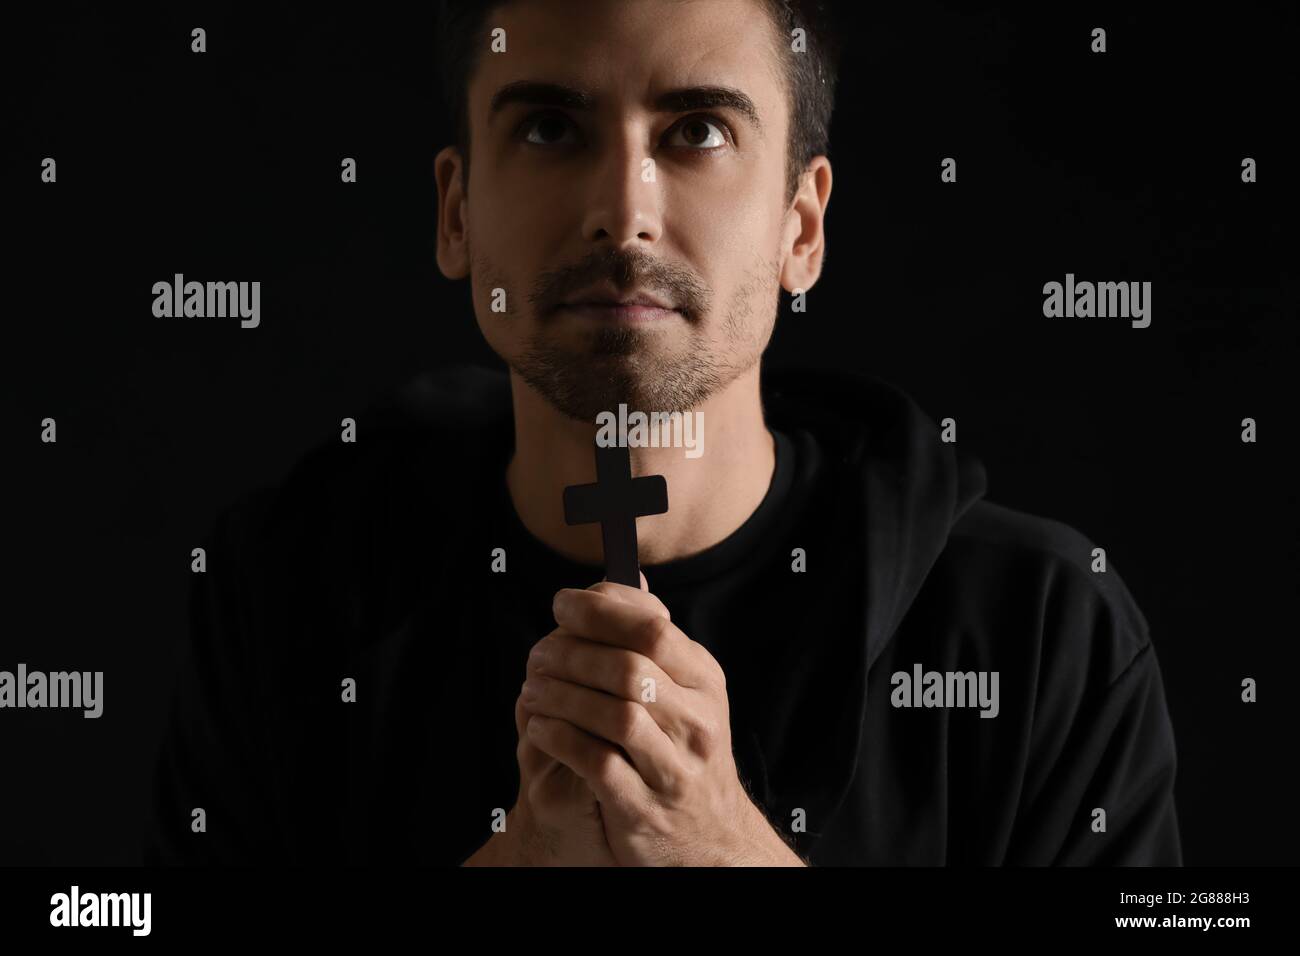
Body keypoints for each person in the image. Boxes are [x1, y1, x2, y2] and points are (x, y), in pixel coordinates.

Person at [143, 0, 1181, 866]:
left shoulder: (1041, 627)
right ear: (456, 214)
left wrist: (731, 853)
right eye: (551, 127)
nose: (621, 209)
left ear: (800, 228)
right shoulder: (286, 591)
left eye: (696, 132)